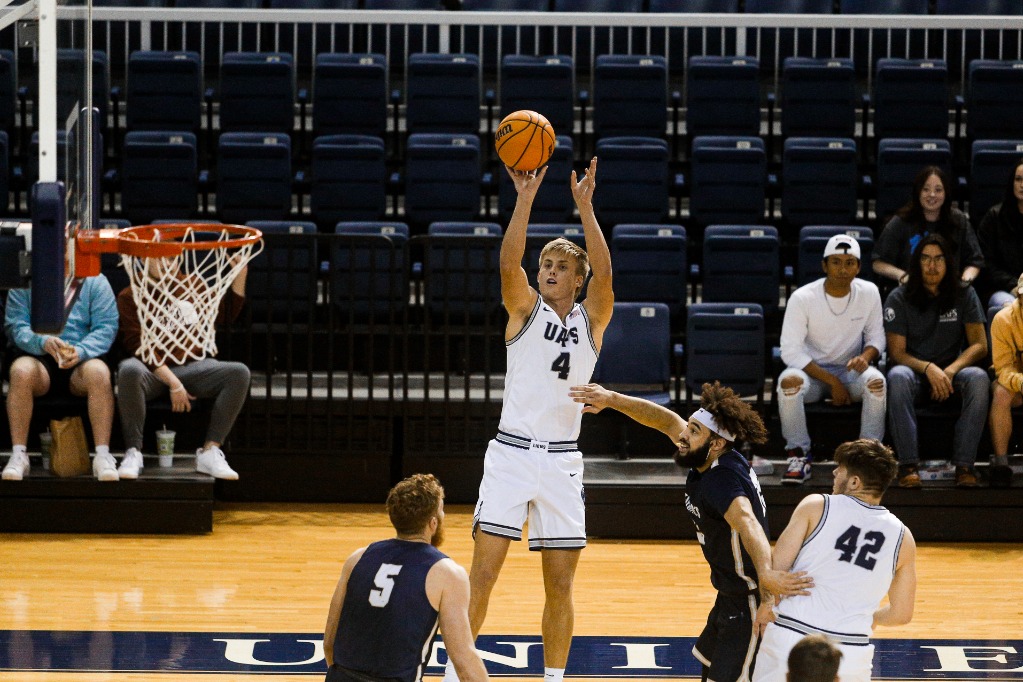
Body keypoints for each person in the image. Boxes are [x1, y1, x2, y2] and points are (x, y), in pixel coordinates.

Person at [441, 157, 614, 682]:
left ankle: (554, 679)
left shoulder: (594, 319)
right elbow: (507, 264)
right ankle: (456, 675)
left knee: (559, 584)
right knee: (483, 574)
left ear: (578, 281)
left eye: (561, 267)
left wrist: (586, 208)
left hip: (562, 461)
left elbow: (605, 272)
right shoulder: (524, 310)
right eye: (547, 265)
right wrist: (524, 198)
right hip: (512, 454)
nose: (550, 271)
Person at [568, 380, 814, 682]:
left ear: (717, 444)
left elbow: (748, 523)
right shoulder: (707, 455)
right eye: (690, 426)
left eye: (694, 431)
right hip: (729, 596)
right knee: (707, 667)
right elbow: (666, 420)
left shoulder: (722, 480)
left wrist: (766, 589)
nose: (683, 435)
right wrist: (612, 399)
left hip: (749, 601)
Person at [752, 439, 917, 682]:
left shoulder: (816, 505)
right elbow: (902, 613)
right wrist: (869, 617)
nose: (834, 472)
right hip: (851, 651)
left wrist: (767, 604)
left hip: (791, 638)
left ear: (854, 482)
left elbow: (776, 572)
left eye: (840, 468)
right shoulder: (904, 537)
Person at [323, 473, 489, 682]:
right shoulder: (447, 574)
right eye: (441, 510)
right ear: (433, 523)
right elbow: (464, 661)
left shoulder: (357, 558)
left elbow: (329, 643)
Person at [115, 256, 250, 480]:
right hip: (153, 371)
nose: (167, 263)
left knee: (239, 372)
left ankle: (210, 451)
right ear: (144, 260)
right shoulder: (129, 295)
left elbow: (224, 317)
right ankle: (133, 452)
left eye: (173, 258)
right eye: (161, 258)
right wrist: (173, 382)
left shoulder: (194, 285)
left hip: (193, 366)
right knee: (128, 369)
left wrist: (240, 275)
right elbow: (137, 346)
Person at [777, 234, 886, 485]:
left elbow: (877, 339)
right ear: (824, 265)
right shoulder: (803, 297)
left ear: (858, 267)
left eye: (850, 263)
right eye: (836, 262)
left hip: (851, 372)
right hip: (813, 375)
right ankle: (798, 455)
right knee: (788, 381)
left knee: (877, 382)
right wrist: (832, 382)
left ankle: (867, 458)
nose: (843, 269)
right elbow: (790, 351)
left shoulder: (869, 292)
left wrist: (865, 357)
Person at [883, 234, 989, 488]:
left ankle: (965, 466)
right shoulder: (899, 296)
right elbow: (897, 353)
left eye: (939, 259)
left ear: (949, 262)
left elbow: (980, 345)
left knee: (979, 378)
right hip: (915, 374)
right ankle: (908, 465)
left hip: (952, 375)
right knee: (897, 376)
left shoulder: (964, 292)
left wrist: (950, 370)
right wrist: (929, 368)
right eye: (926, 259)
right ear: (917, 263)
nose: (932, 266)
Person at [1, 275, 119, 481]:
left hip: (80, 358)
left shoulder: (95, 280)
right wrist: (41, 341)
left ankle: (102, 455)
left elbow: (107, 327)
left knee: (100, 373)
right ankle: (19, 454)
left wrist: (82, 350)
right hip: (38, 355)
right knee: (20, 371)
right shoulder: (26, 276)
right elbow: (15, 326)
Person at [873, 166, 983, 289]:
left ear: (946, 193)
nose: (932, 195)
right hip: (911, 290)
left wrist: (964, 282)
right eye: (926, 189)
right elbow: (878, 263)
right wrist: (903, 276)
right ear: (917, 192)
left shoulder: (959, 220)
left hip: (949, 291)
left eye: (938, 190)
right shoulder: (901, 222)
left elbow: (975, 261)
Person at [984, 271, 1023, 488]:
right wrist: (1021, 383)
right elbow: (1003, 368)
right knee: (1000, 392)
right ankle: (1001, 464)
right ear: (1018, 295)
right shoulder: (1003, 319)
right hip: (1015, 384)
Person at [976, 159, 1023, 308]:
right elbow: (986, 263)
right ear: (1012, 183)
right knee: (1009, 308)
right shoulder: (994, 217)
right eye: (1018, 179)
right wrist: (1015, 285)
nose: (1022, 185)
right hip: (1001, 288)